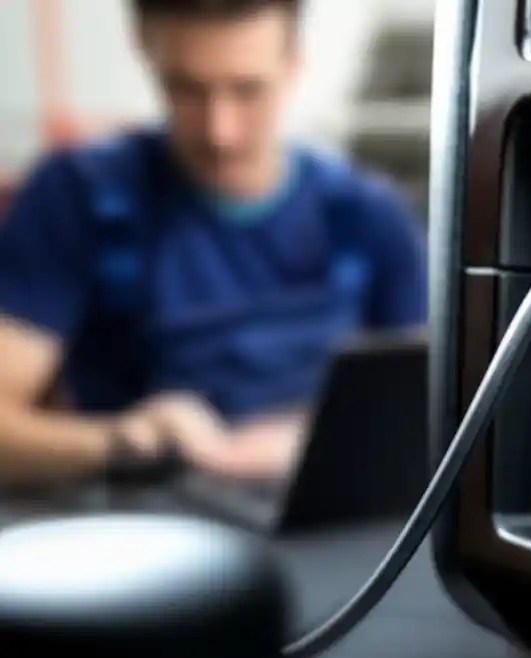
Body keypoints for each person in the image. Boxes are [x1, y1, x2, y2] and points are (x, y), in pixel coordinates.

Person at [0, 0, 427, 488]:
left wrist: (305, 442)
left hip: (330, 499)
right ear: (146, 49)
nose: (219, 131)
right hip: (149, 503)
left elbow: (428, 406)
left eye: (247, 90)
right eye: (185, 89)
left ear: (294, 65)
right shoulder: (78, 197)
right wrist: (123, 441)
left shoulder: (369, 215)